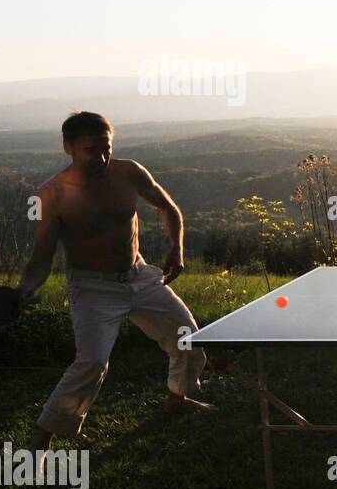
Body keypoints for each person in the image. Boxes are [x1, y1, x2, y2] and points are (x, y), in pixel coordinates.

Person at [16, 111, 218, 457]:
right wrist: (25, 290)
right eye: (90, 150)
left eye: (106, 148)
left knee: (186, 334)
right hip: (93, 288)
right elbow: (41, 256)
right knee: (92, 362)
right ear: (68, 148)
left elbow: (169, 208)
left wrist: (177, 248)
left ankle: (176, 400)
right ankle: (43, 440)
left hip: (139, 275)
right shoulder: (52, 194)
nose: (101, 157)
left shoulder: (129, 172)